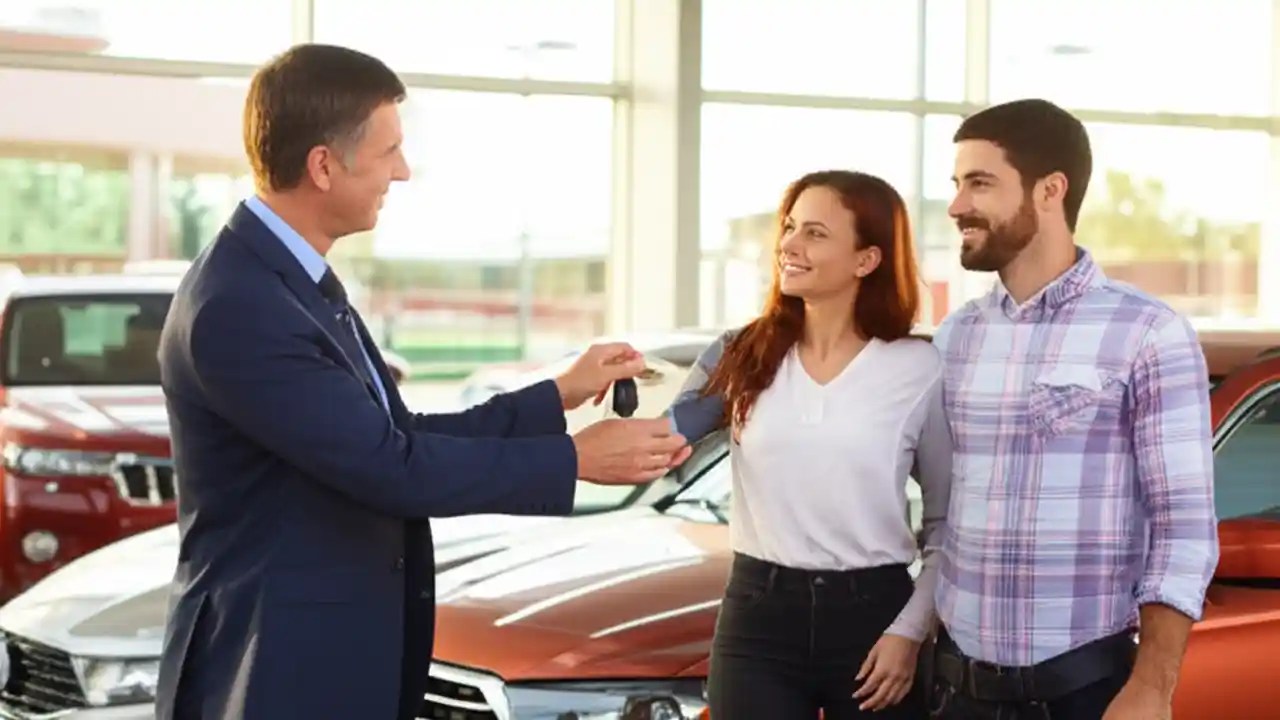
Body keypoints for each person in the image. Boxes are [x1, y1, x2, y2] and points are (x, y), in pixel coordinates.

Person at [153, 43, 690, 720]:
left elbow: (394, 435)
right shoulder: (244, 304)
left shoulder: (290, 283)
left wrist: (556, 394)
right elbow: (390, 468)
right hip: (274, 669)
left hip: (311, 659)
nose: (402, 172)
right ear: (323, 166)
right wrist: (573, 459)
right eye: (389, 152)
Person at [928, 98, 1219, 720]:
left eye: (979, 183)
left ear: (1049, 190)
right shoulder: (956, 337)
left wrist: (1153, 688)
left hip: (1084, 693)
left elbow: (1184, 526)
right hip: (954, 691)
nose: (955, 206)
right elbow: (937, 510)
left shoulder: (1148, 331)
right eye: (956, 184)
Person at [665, 170, 953, 718]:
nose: (789, 245)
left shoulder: (921, 368)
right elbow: (661, 441)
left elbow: (948, 524)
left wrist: (911, 632)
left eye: (815, 233)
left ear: (866, 259)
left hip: (875, 620)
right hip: (758, 620)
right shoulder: (740, 353)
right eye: (790, 227)